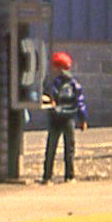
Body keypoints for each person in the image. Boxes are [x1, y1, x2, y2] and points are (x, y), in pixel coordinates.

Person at [39, 51, 87, 183]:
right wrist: (82, 119)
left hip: (55, 118)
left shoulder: (52, 83)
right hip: (69, 118)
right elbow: (80, 102)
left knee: (51, 148)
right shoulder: (73, 83)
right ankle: (69, 176)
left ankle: (47, 176)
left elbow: (45, 96)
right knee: (69, 148)